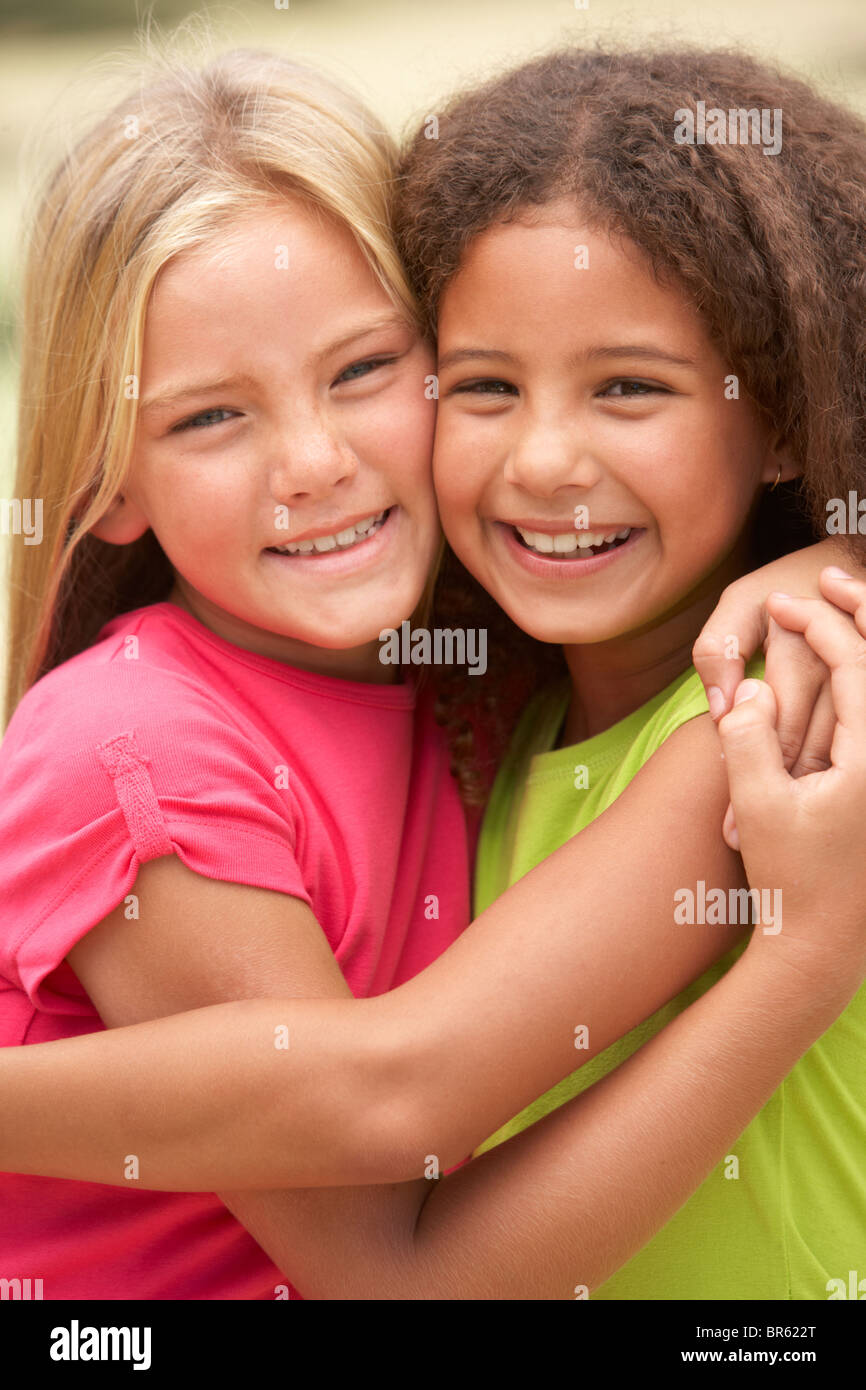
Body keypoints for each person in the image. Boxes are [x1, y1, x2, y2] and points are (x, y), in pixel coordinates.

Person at [0, 47, 861, 1301]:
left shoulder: (724, 694)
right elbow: (391, 1140)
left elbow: (401, 1108)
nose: (312, 462)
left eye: (362, 371)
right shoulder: (182, 747)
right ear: (107, 476)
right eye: (487, 386)